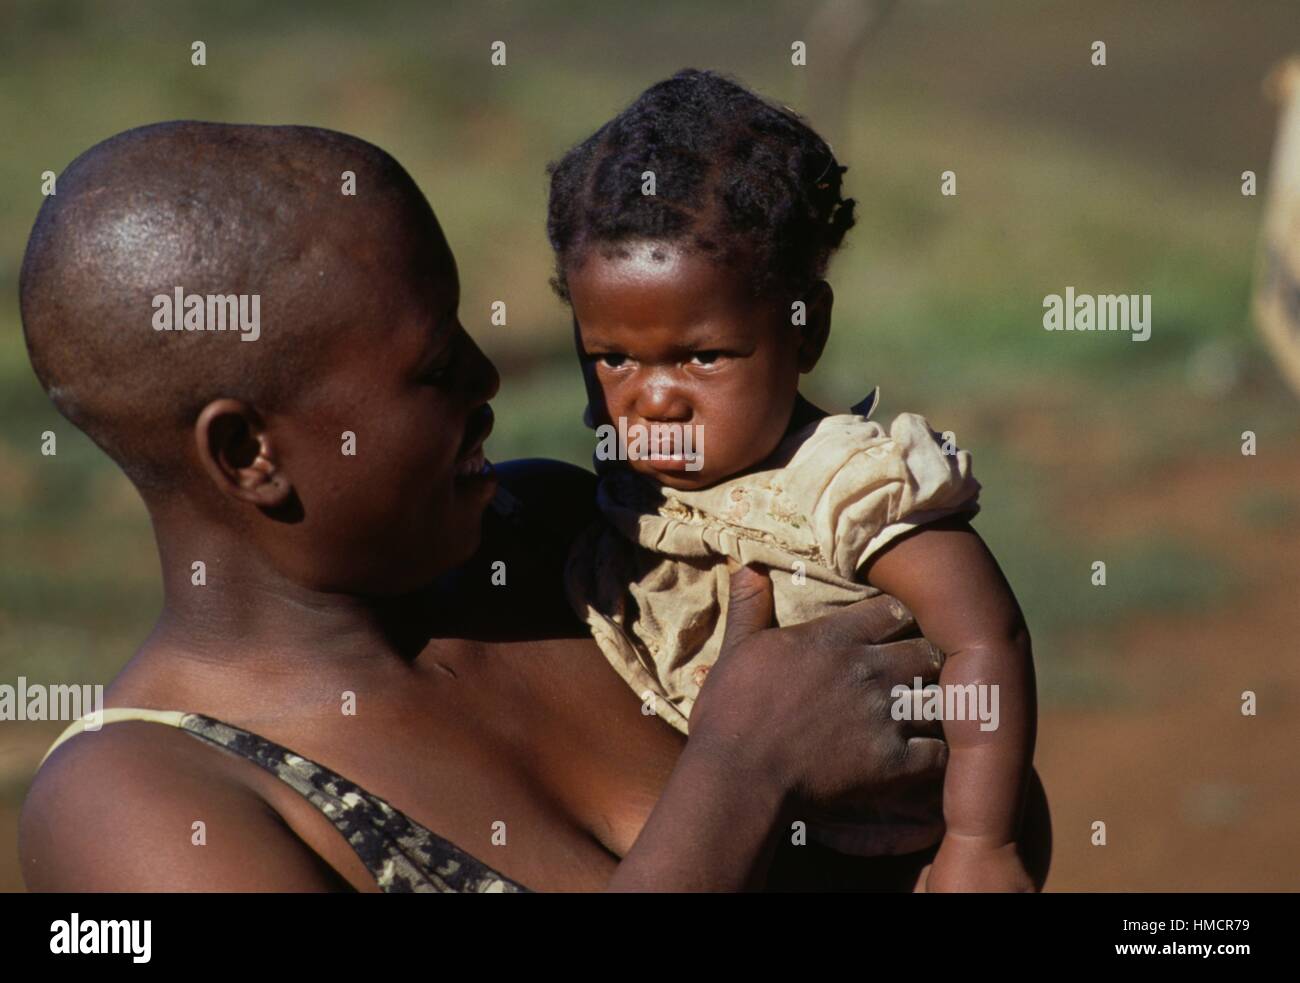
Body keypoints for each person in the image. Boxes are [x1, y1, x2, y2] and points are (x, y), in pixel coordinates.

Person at [17, 120, 979, 892]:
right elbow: (767, 755)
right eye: (435, 366)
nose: (486, 380)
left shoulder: (574, 541)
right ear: (248, 452)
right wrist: (741, 775)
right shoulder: (134, 805)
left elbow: (952, 797)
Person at [553, 70, 1040, 889]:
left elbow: (985, 637)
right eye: (613, 356)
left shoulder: (842, 482)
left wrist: (980, 840)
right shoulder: (629, 478)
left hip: (888, 853)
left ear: (804, 329)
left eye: (703, 355)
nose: (655, 397)